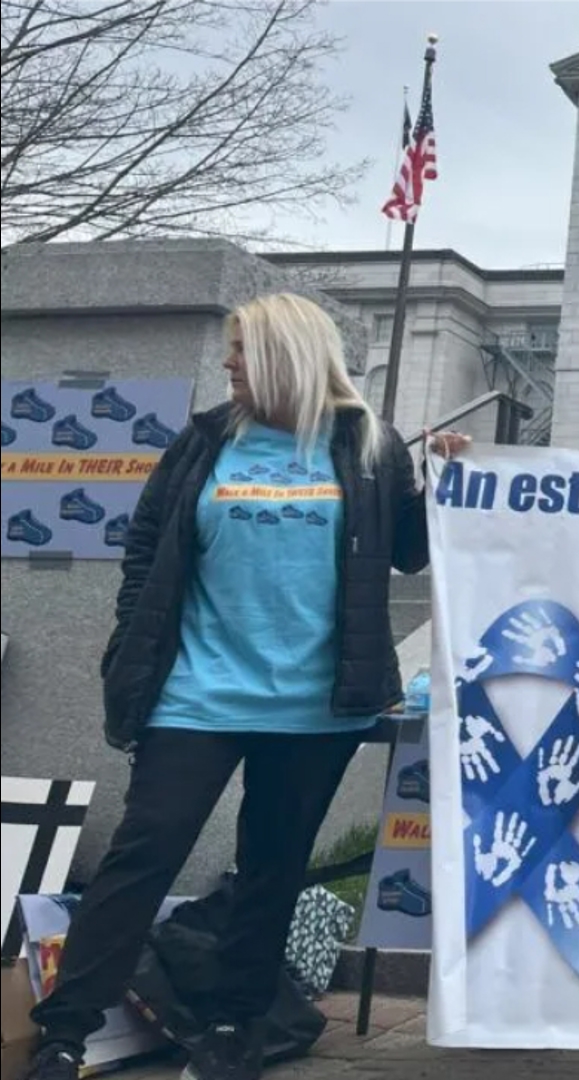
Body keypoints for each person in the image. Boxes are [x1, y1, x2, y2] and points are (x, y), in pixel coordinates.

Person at [25, 294, 472, 1080]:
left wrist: (450, 485)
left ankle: (235, 1026)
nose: (229, 364)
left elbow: (410, 554)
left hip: (318, 710)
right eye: (228, 351)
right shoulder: (200, 444)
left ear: (284, 357)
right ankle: (66, 1030)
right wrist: (128, 658)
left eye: (241, 351)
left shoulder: (369, 445)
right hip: (196, 698)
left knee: (272, 867)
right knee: (143, 856)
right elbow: (145, 561)